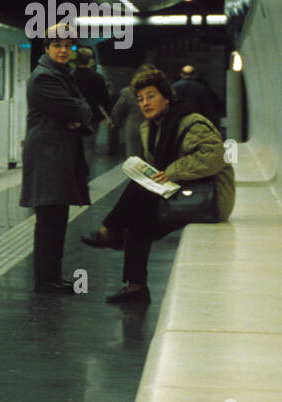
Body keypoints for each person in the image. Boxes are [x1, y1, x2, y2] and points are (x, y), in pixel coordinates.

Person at [81, 67, 235, 304]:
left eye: (151, 96)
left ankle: (110, 230)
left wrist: (171, 172)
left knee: (139, 207)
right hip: (182, 193)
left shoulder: (190, 123)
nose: (145, 103)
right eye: (141, 99)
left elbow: (215, 156)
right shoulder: (149, 128)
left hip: (209, 198)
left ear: (166, 96)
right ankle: (136, 287)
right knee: (138, 219)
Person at [21, 26, 93, 293]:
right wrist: (78, 114)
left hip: (57, 155)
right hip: (48, 158)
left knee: (57, 218)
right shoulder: (43, 78)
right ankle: (46, 279)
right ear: (46, 48)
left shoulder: (62, 75)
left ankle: (51, 276)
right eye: (57, 45)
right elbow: (76, 108)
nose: (63, 50)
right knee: (50, 220)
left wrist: (79, 114)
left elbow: (82, 110)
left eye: (67, 45)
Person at [108, 63, 156, 158]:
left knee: (134, 158)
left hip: (135, 128)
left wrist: (116, 124)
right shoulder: (160, 92)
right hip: (155, 127)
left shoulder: (128, 91)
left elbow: (117, 111)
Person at [172, 64, 223, 131]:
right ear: (195, 75)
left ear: (182, 74)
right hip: (199, 125)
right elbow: (212, 108)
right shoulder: (203, 88)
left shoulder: (173, 88)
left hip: (178, 125)